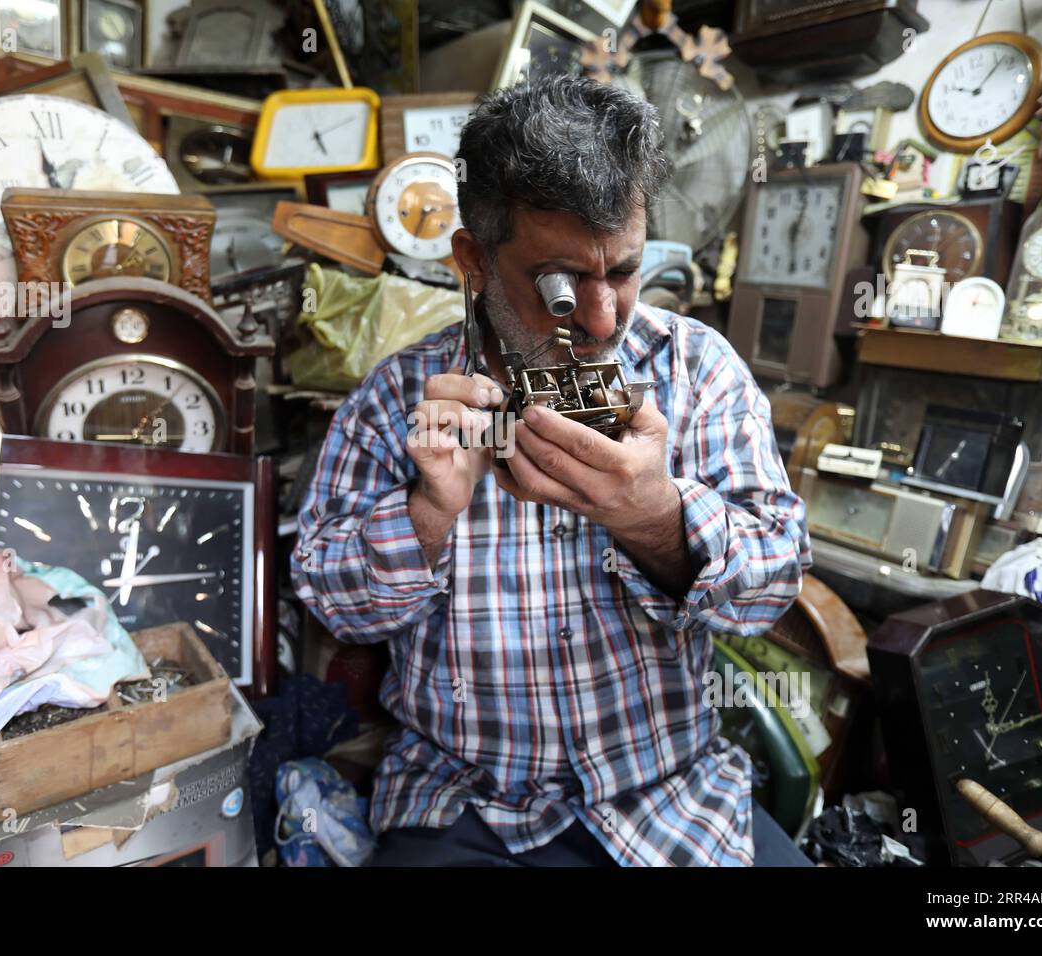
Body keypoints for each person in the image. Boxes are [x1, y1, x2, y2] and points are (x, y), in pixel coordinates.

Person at [292, 75, 813, 866]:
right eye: (561, 283)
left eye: (627, 272)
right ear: (472, 260)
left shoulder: (696, 368)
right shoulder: (395, 399)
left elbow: (770, 592)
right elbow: (337, 608)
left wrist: (656, 519)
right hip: (463, 801)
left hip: (671, 797)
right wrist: (427, 514)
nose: (603, 320)